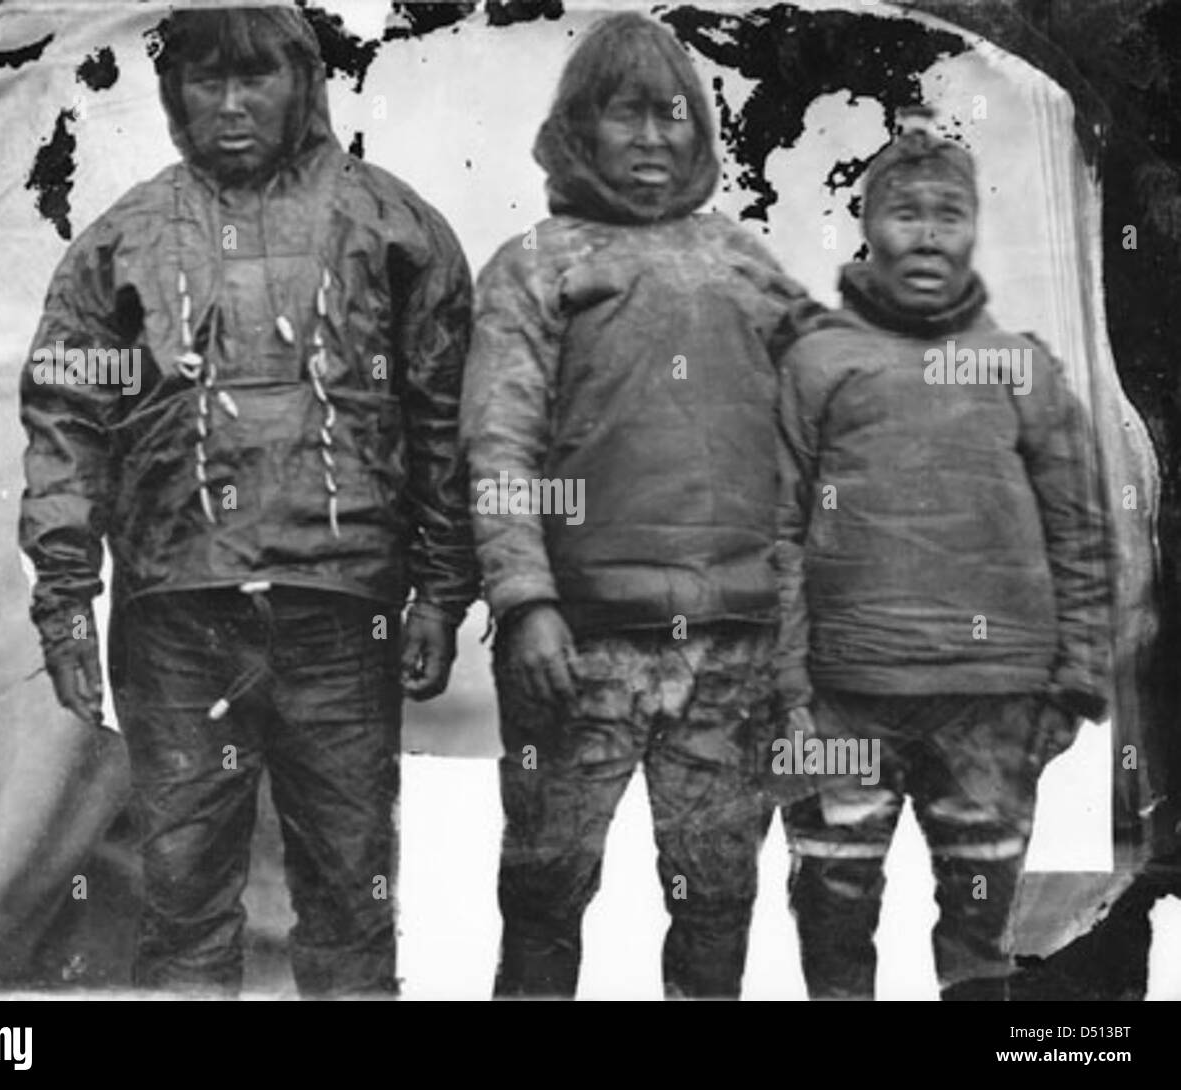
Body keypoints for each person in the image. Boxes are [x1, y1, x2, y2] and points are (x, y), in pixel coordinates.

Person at [18, 8, 477, 997]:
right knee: (181, 896)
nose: (230, 104)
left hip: (339, 612)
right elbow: (66, 421)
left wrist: (442, 591)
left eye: (256, 77)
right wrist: (62, 599)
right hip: (177, 616)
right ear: (172, 91)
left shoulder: (394, 227)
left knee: (353, 895)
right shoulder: (119, 244)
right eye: (204, 79)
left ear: (305, 80)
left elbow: (444, 418)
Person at [461, 12, 809, 999]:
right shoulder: (537, 265)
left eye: (673, 117)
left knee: (716, 900)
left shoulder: (747, 265)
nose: (653, 138)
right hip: (580, 650)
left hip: (733, 652)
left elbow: (826, 425)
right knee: (543, 892)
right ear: (580, 128)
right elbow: (499, 443)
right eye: (626, 114)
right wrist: (525, 601)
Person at [774, 124, 1115, 1000]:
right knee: (833, 906)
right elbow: (769, 535)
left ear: (973, 231)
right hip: (840, 709)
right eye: (904, 213)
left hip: (994, 711)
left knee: (979, 930)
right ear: (867, 224)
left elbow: (1081, 534)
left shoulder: (1021, 369)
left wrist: (1073, 685)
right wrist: (782, 700)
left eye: (949, 215)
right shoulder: (817, 361)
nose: (926, 235)